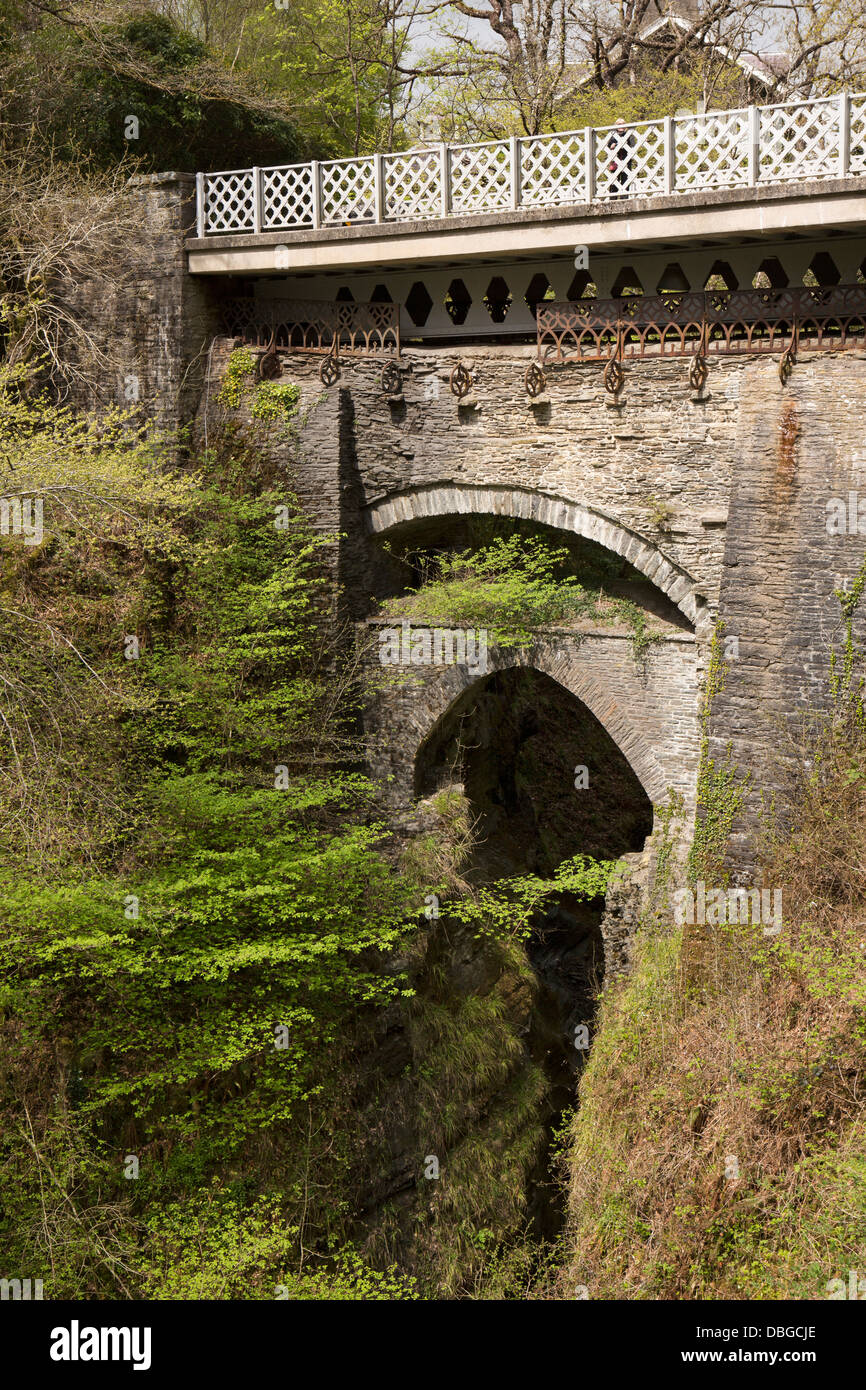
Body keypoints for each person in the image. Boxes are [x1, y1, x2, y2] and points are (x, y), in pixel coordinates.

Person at [606, 118, 635, 199]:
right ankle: (612, 198)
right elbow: (607, 147)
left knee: (625, 180)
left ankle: (624, 198)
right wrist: (611, 147)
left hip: (626, 161)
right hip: (615, 161)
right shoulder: (612, 136)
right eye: (619, 124)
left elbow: (633, 146)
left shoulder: (629, 135)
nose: (621, 126)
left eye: (623, 124)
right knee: (614, 181)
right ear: (616, 126)